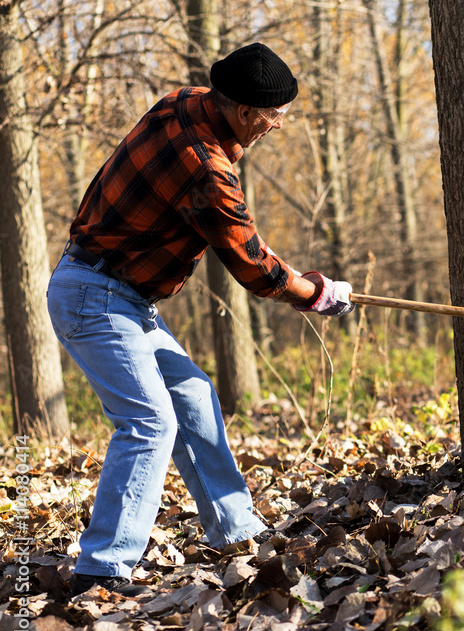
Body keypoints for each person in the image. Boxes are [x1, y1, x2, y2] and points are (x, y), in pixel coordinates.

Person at [46, 43, 351, 597]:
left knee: (193, 395)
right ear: (241, 112)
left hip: (122, 295)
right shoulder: (206, 168)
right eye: (274, 116)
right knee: (148, 423)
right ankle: (101, 570)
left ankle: (236, 530)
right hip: (96, 296)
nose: (278, 126)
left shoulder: (183, 102)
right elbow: (255, 269)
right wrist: (319, 292)